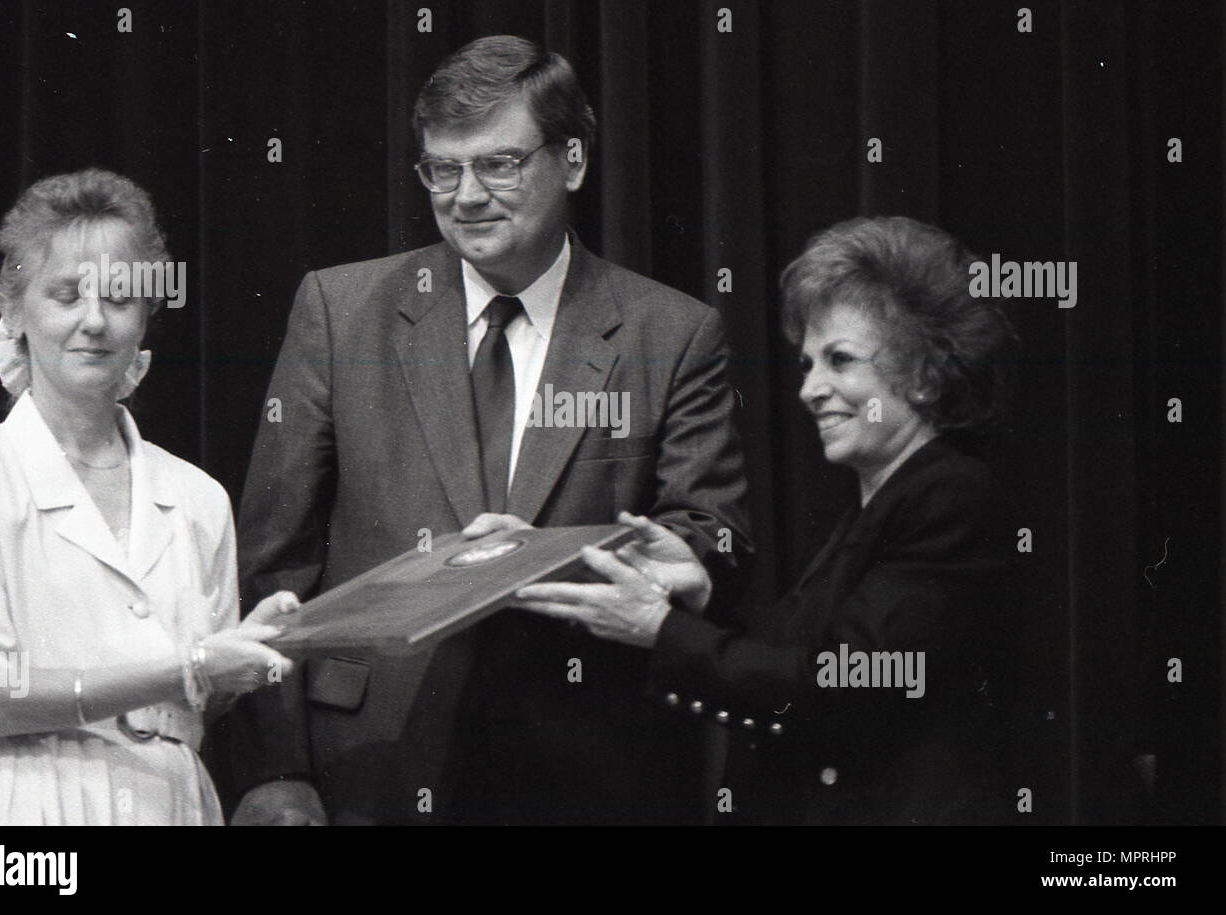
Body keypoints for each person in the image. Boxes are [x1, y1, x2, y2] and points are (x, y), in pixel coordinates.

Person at [229, 35, 752, 825]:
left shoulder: (670, 333)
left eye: (499, 164)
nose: (466, 195)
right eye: (444, 168)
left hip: (584, 764)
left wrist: (628, 557)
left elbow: (709, 532)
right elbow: (272, 561)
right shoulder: (340, 312)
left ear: (572, 162)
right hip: (367, 764)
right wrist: (275, 769)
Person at [514, 215, 1017, 824]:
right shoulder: (891, 500)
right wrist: (697, 597)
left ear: (923, 372)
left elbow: (846, 686)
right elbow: (800, 652)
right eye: (808, 364)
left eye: (840, 360)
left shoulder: (948, 498)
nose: (811, 388)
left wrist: (658, 628)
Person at [0, 168, 295, 825]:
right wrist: (190, 666)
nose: (93, 321)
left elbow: (199, 701)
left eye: (120, 297)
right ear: (14, 310)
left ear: (147, 313)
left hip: (173, 801)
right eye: (66, 294)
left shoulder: (197, 497)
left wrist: (248, 652)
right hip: (22, 809)